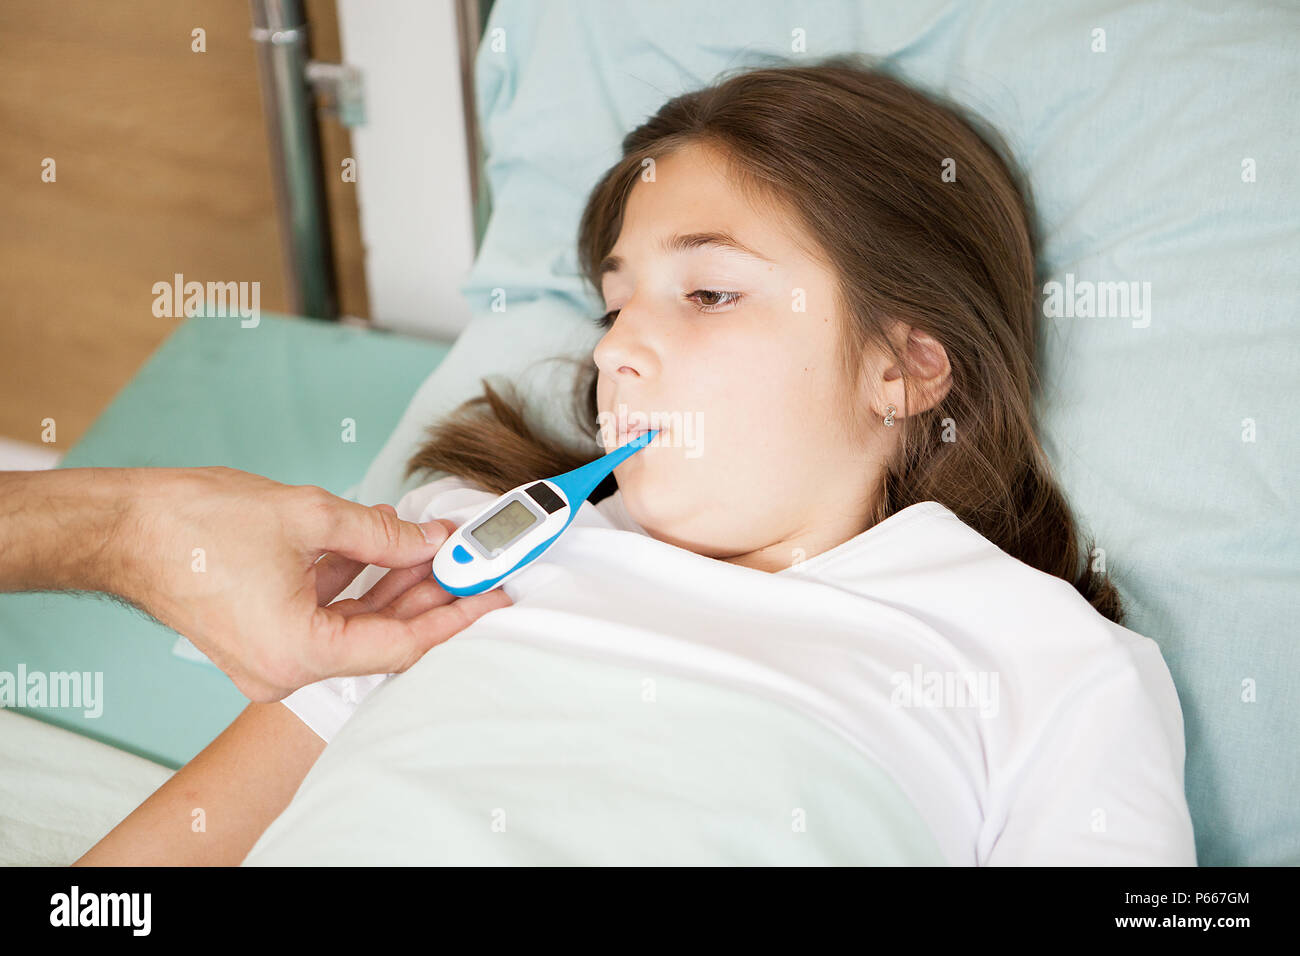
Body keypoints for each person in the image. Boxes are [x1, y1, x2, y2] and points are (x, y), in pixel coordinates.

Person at [74, 56, 1196, 866]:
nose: (615, 349)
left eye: (707, 292)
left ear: (902, 368)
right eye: (613, 307)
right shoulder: (469, 549)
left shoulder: (1045, 660)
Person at [0, 466, 511, 702]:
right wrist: (141, 533)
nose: (598, 348)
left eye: (600, 320)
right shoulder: (461, 510)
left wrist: (141, 530)